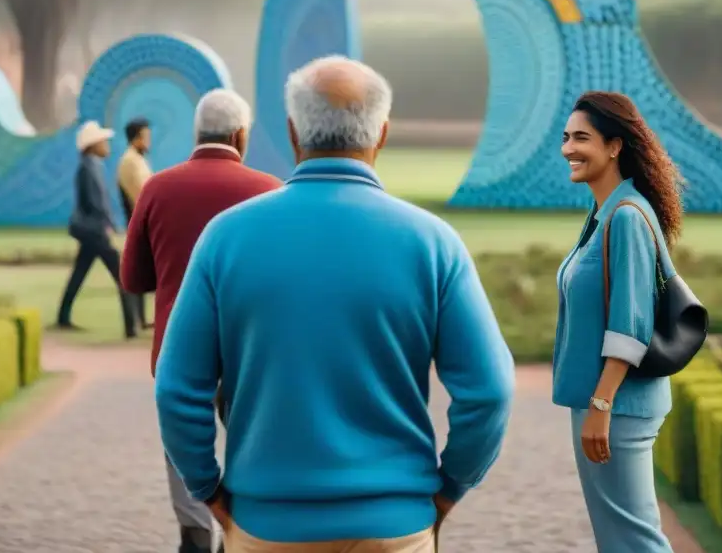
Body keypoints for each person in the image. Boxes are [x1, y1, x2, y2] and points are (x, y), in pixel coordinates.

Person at [155, 56, 515, 553]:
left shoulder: (225, 237)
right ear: (382, 134)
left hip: (266, 525)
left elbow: (177, 388)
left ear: (292, 132)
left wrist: (206, 489)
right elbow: (490, 391)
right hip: (396, 525)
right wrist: (450, 489)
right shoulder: (434, 242)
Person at [122, 90, 282, 553]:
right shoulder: (268, 190)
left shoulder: (158, 188)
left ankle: (195, 531)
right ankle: (247, 530)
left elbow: (133, 278)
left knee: (182, 447)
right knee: (249, 445)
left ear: (198, 133)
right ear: (240, 135)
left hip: (177, 347)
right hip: (246, 352)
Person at [553, 91, 681, 553]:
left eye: (581, 137)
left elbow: (631, 324)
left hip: (616, 406)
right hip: (605, 403)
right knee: (620, 539)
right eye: (566, 137)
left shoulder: (625, 217)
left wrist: (601, 408)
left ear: (614, 146)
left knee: (633, 541)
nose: (568, 147)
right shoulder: (603, 212)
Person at [57, 120, 136, 339]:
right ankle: (131, 327)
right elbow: (97, 202)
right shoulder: (90, 167)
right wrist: (110, 226)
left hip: (89, 230)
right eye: (103, 141)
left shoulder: (90, 165)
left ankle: (63, 317)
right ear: (93, 145)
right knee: (123, 275)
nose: (106, 145)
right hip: (94, 231)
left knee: (79, 272)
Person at [117, 117, 154, 330]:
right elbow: (142, 193)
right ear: (137, 138)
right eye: (146, 137)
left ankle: (138, 320)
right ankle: (134, 323)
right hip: (139, 224)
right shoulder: (131, 161)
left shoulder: (136, 160)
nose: (149, 141)